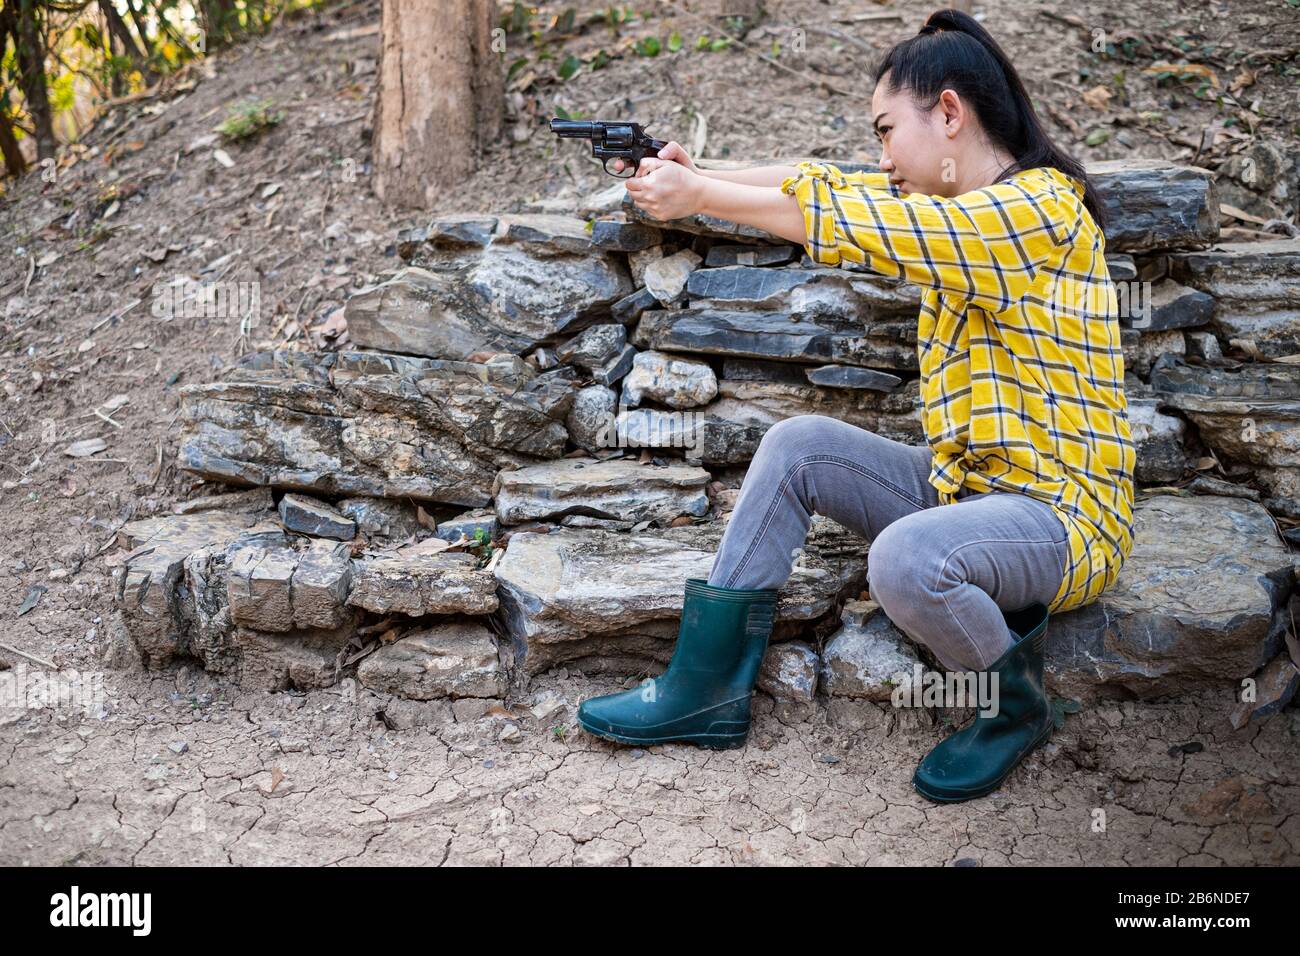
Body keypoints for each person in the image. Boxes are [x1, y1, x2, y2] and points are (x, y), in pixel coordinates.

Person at [576, 8, 1136, 803]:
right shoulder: (956, 204)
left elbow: (860, 219)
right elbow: (828, 183)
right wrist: (699, 170)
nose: (882, 157)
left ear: (949, 111)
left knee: (907, 559)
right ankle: (705, 691)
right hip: (963, 490)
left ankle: (1016, 709)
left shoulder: (1037, 211)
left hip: (1061, 519)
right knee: (801, 444)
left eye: (885, 131)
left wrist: (702, 194)